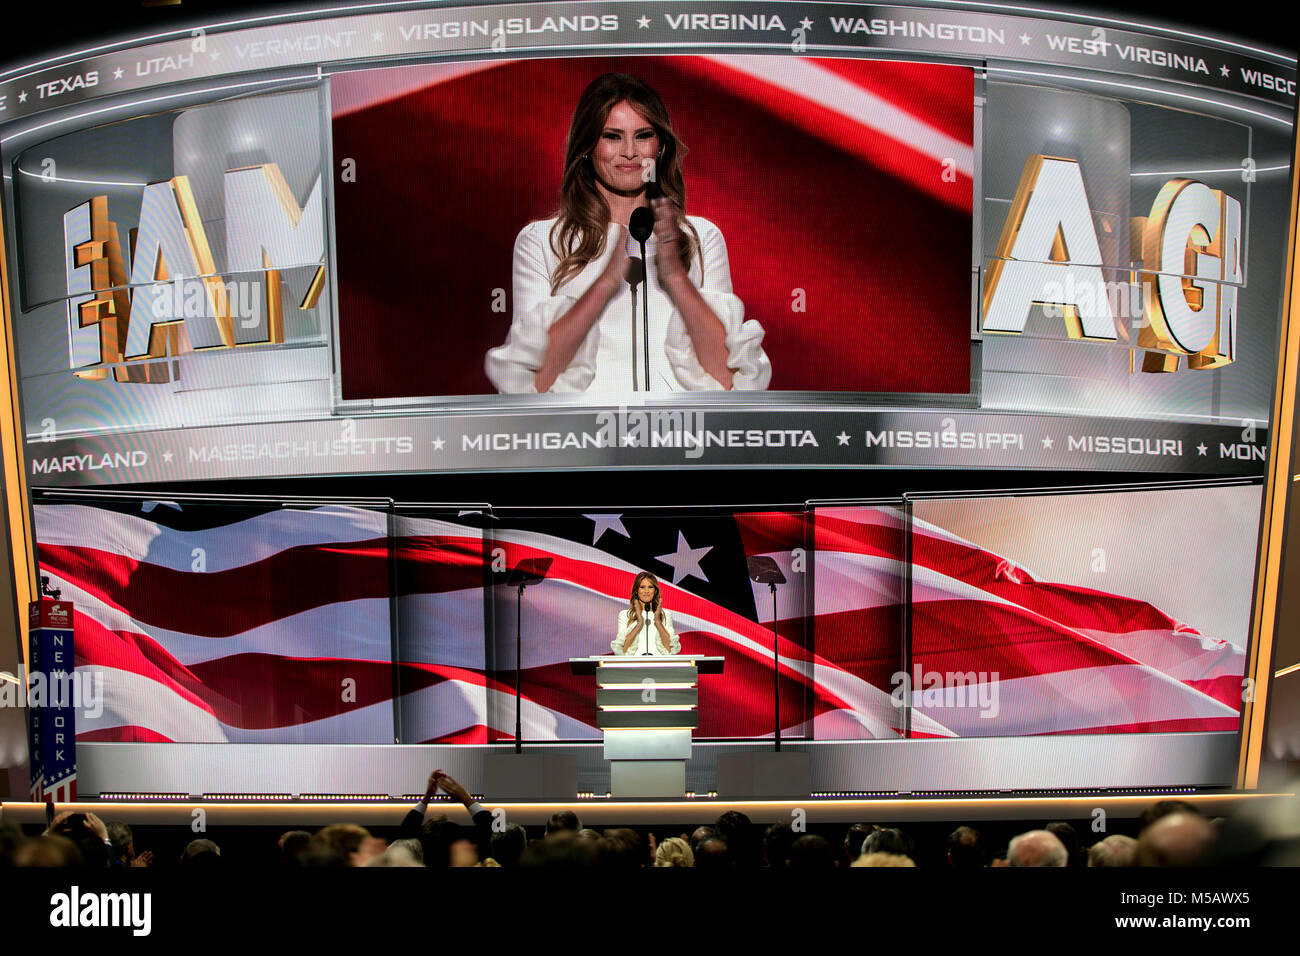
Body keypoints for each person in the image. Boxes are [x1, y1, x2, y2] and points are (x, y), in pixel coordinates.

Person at [486, 72, 771, 394]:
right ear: (588, 145)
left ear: (660, 146)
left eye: (643, 135)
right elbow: (530, 381)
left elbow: (729, 381)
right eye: (612, 136)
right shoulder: (541, 241)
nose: (630, 152)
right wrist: (605, 283)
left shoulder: (700, 238)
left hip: (681, 432)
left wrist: (676, 278)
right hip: (583, 433)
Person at [612, 571, 680, 655]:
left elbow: (670, 650)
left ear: (655, 591)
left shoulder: (665, 615)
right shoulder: (625, 615)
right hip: (635, 665)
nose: (646, 591)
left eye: (650, 587)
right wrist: (639, 623)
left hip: (659, 664)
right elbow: (622, 650)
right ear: (636, 590)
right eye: (642, 587)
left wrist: (658, 621)